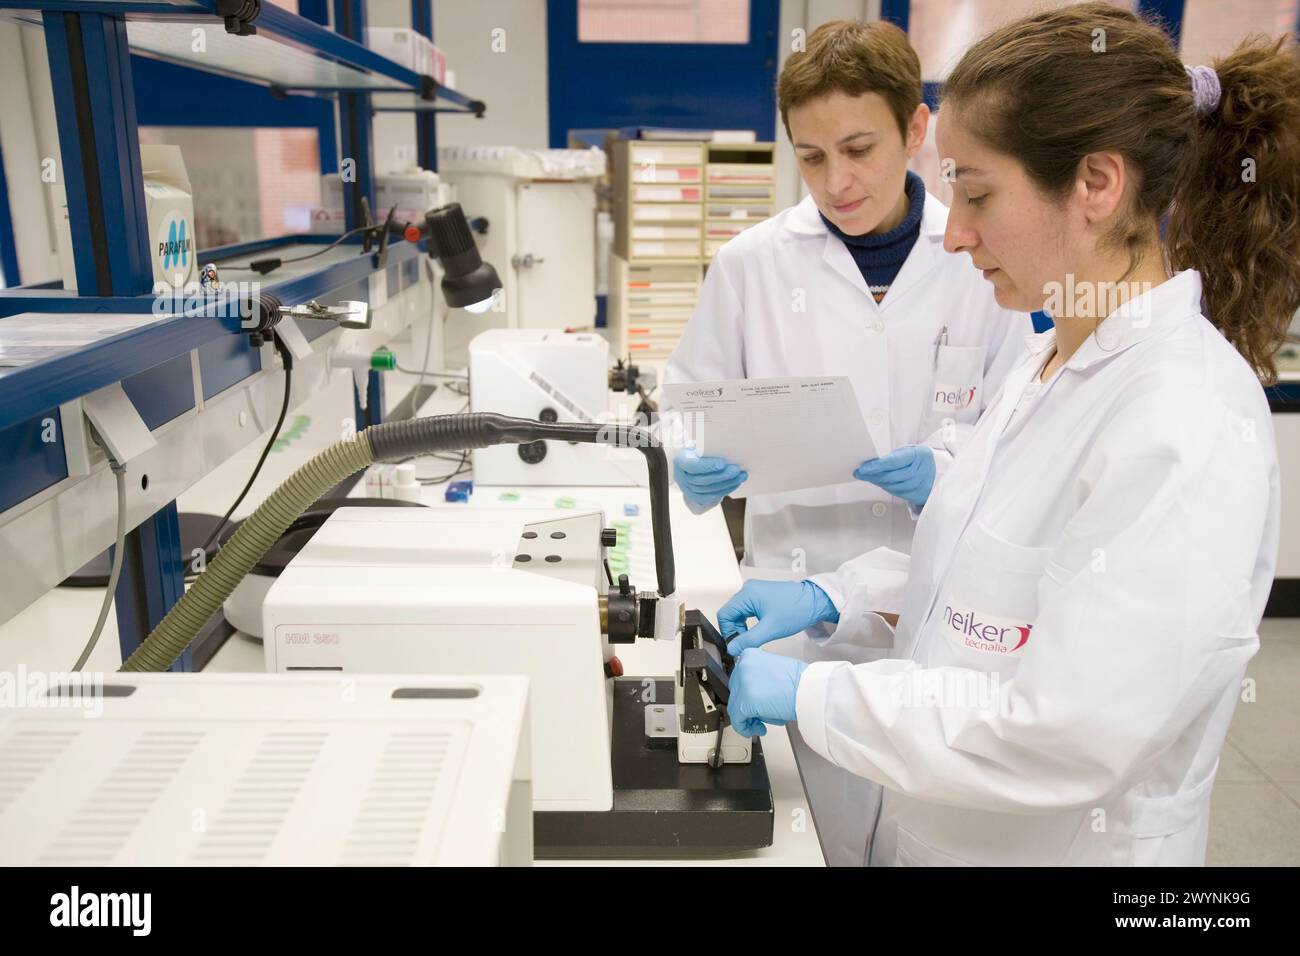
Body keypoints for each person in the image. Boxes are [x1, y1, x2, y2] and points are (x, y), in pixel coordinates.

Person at [718, 2, 1298, 866]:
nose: (953, 233)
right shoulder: (1048, 365)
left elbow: (1068, 735)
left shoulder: (1186, 419)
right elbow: (981, 578)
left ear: (1096, 186)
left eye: (979, 194)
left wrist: (819, 696)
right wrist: (841, 594)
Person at [660, 19, 1031, 866]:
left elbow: (1014, 428)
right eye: (813, 156)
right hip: (790, 606)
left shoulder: (981, 260)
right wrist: (691, 456)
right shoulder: (753, 265)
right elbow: (685, 399)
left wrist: (938, 467)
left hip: (939, 608)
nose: (837, 179)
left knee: (924, 831)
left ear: (915, 128)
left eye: (859, 148)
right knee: (807, 837)